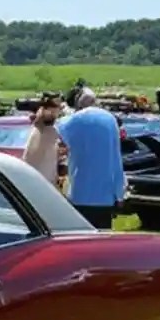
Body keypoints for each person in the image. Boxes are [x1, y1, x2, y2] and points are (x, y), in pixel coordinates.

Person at [56, 87, 124, 229]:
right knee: (102, 240)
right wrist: (119, 193)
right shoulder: (111, 120)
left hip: (80, 192)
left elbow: (56, 129)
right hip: (106, 195)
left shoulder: (72, 121)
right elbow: (116, 159)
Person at [22, 92, 62, 185]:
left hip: (38, 181)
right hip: (41, 182)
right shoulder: (48, 131)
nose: (58, 111)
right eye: (57, 107)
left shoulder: (38, 129)